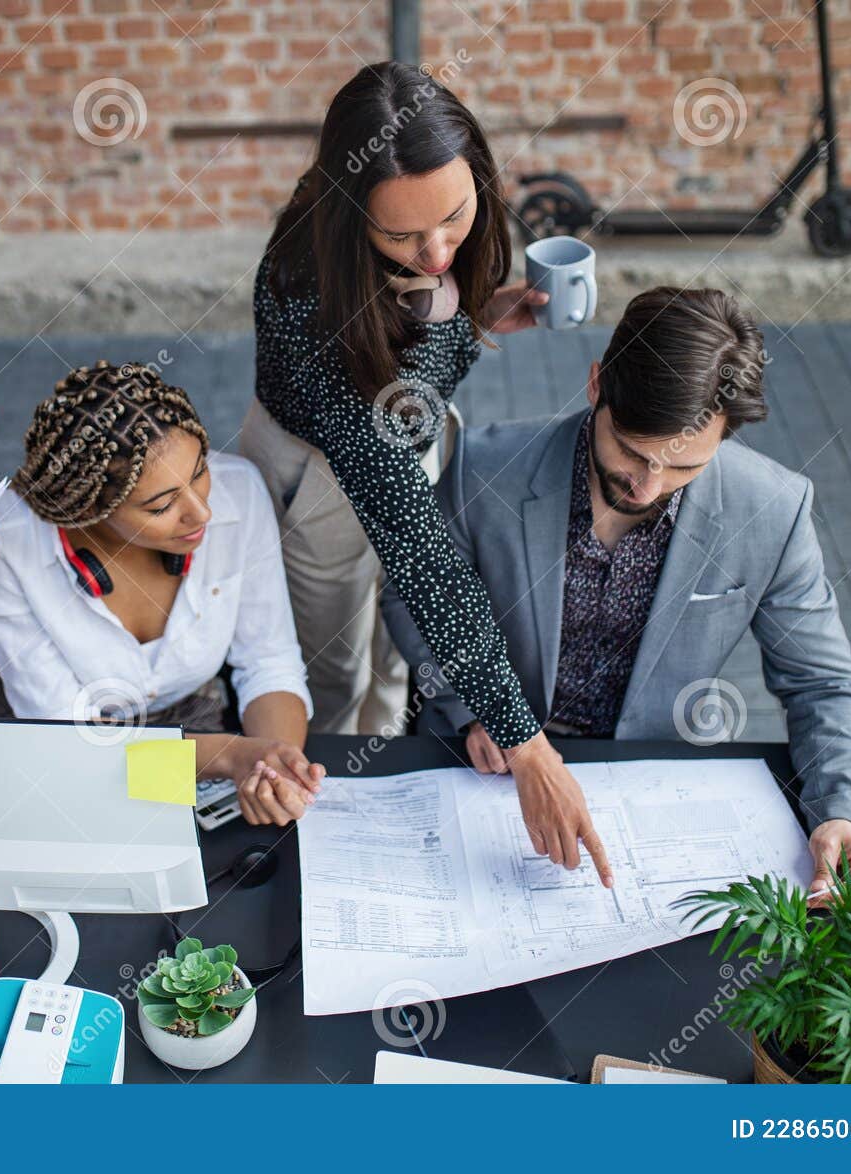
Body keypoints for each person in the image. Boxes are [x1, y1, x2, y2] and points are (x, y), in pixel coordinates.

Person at [382, 287, 851, 895]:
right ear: (597, 387)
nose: (648, 485)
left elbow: (822, 683)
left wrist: (842, 808)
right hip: (483, 769)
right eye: (633, 452)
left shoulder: (772, 510)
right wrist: (478, 713)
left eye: (684, 468)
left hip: (654, 785)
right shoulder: (485, 467)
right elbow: (410, 600)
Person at [241, 62, 603, 871]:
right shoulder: (307, 296)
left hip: (402, 448)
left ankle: (381, 786)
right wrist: (526, 743)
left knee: (395, 665)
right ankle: (319, 846)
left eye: (453, 217)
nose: (438, 250)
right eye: (402, 236)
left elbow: (416, 356)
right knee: (327, 673)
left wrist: (471, 315)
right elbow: (426, 557)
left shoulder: (432, 250)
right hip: (317, 481)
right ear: (348, 213)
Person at [0, 361, 325, 827]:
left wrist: (275, 768)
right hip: (50, 735)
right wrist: (231, 757)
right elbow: (74, 744)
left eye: (198, 473)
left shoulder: (241, 491)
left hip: (192, 725)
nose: (202, 513)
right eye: (162, 506)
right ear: (88, 510)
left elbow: (268, 660)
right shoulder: (6, 545)